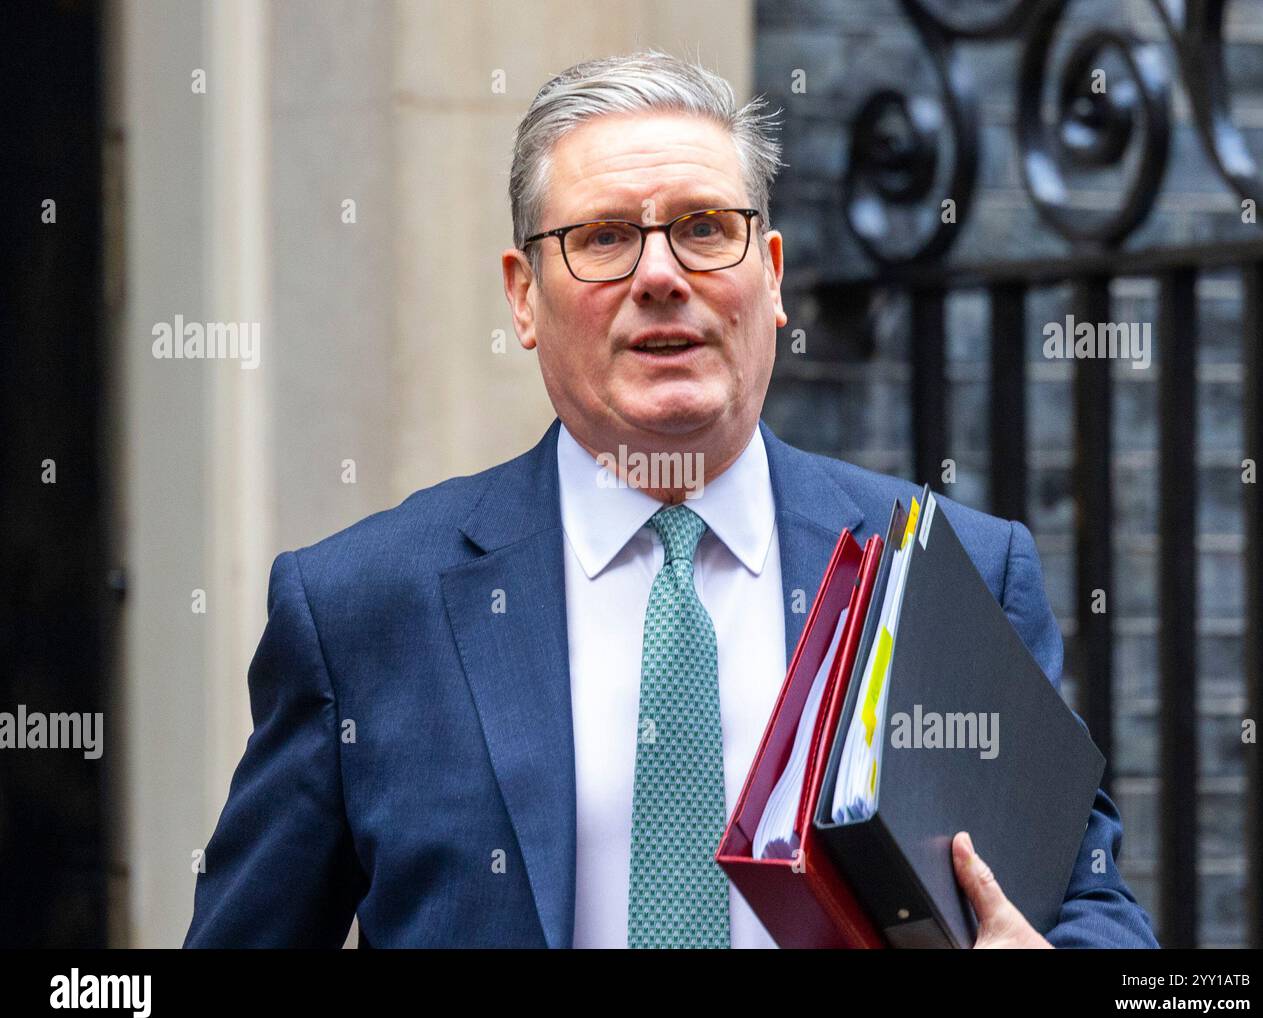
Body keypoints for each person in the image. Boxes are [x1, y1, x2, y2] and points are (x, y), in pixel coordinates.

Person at [184, 50, 1158, 949]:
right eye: (603, 238)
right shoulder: (362, 609)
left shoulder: (956, 571)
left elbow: (1086, 902)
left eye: (702, 228)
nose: (659, 276)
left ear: (769, 276)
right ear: (523, 297)